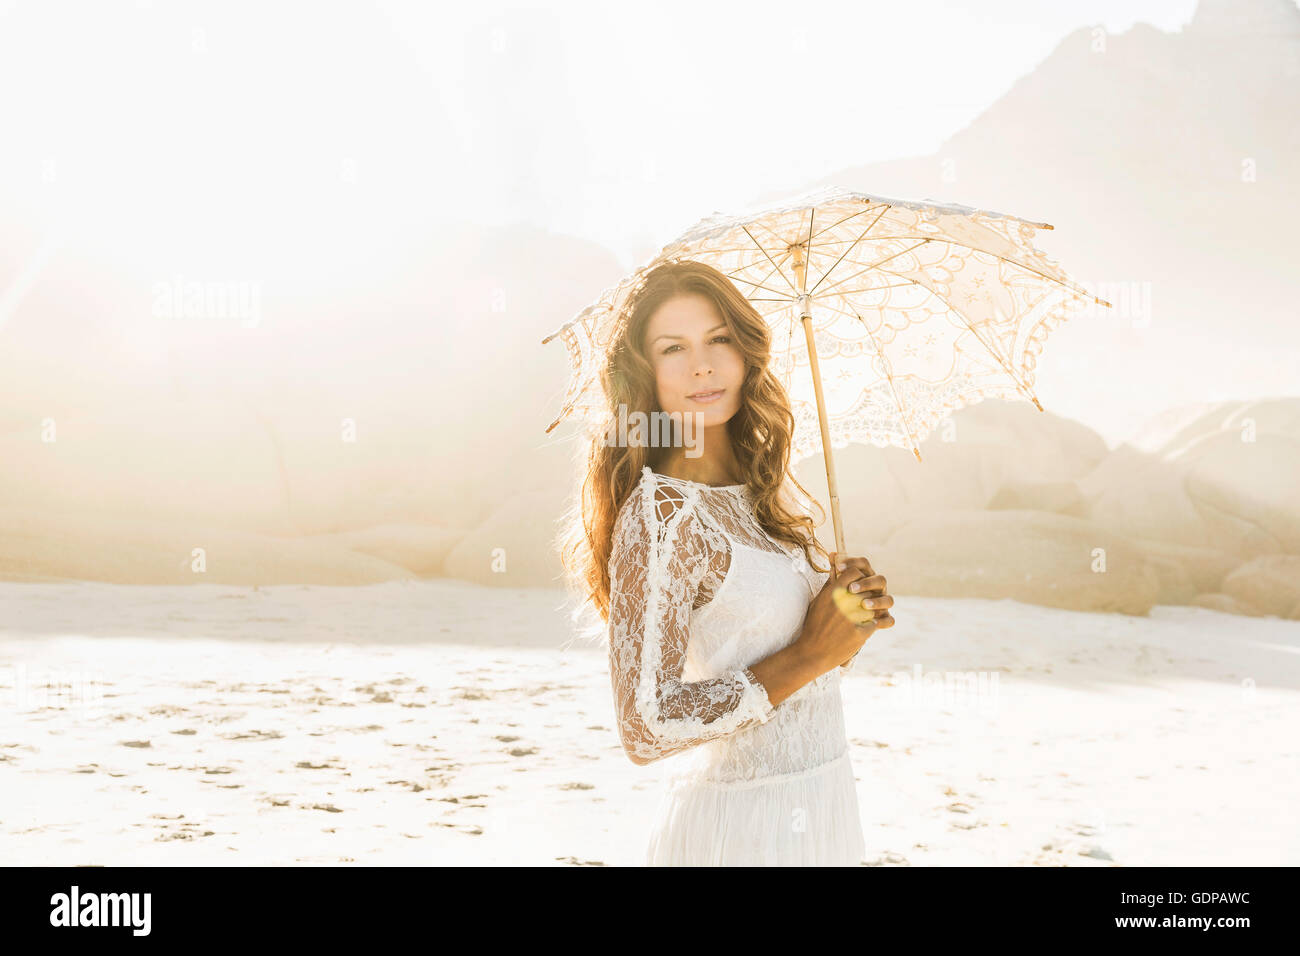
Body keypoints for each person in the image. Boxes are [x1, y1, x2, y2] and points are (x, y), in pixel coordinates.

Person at [558, 259, 895, 865]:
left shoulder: (764, 492)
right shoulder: (661, 515)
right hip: (740, 829)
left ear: (745, 351)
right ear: (645, 372)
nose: (702, 365)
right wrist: (811, 652)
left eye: (718, 339)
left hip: (822, 801)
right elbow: (646, 727)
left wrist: (844, 628)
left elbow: (789, 672)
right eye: (673, 348)